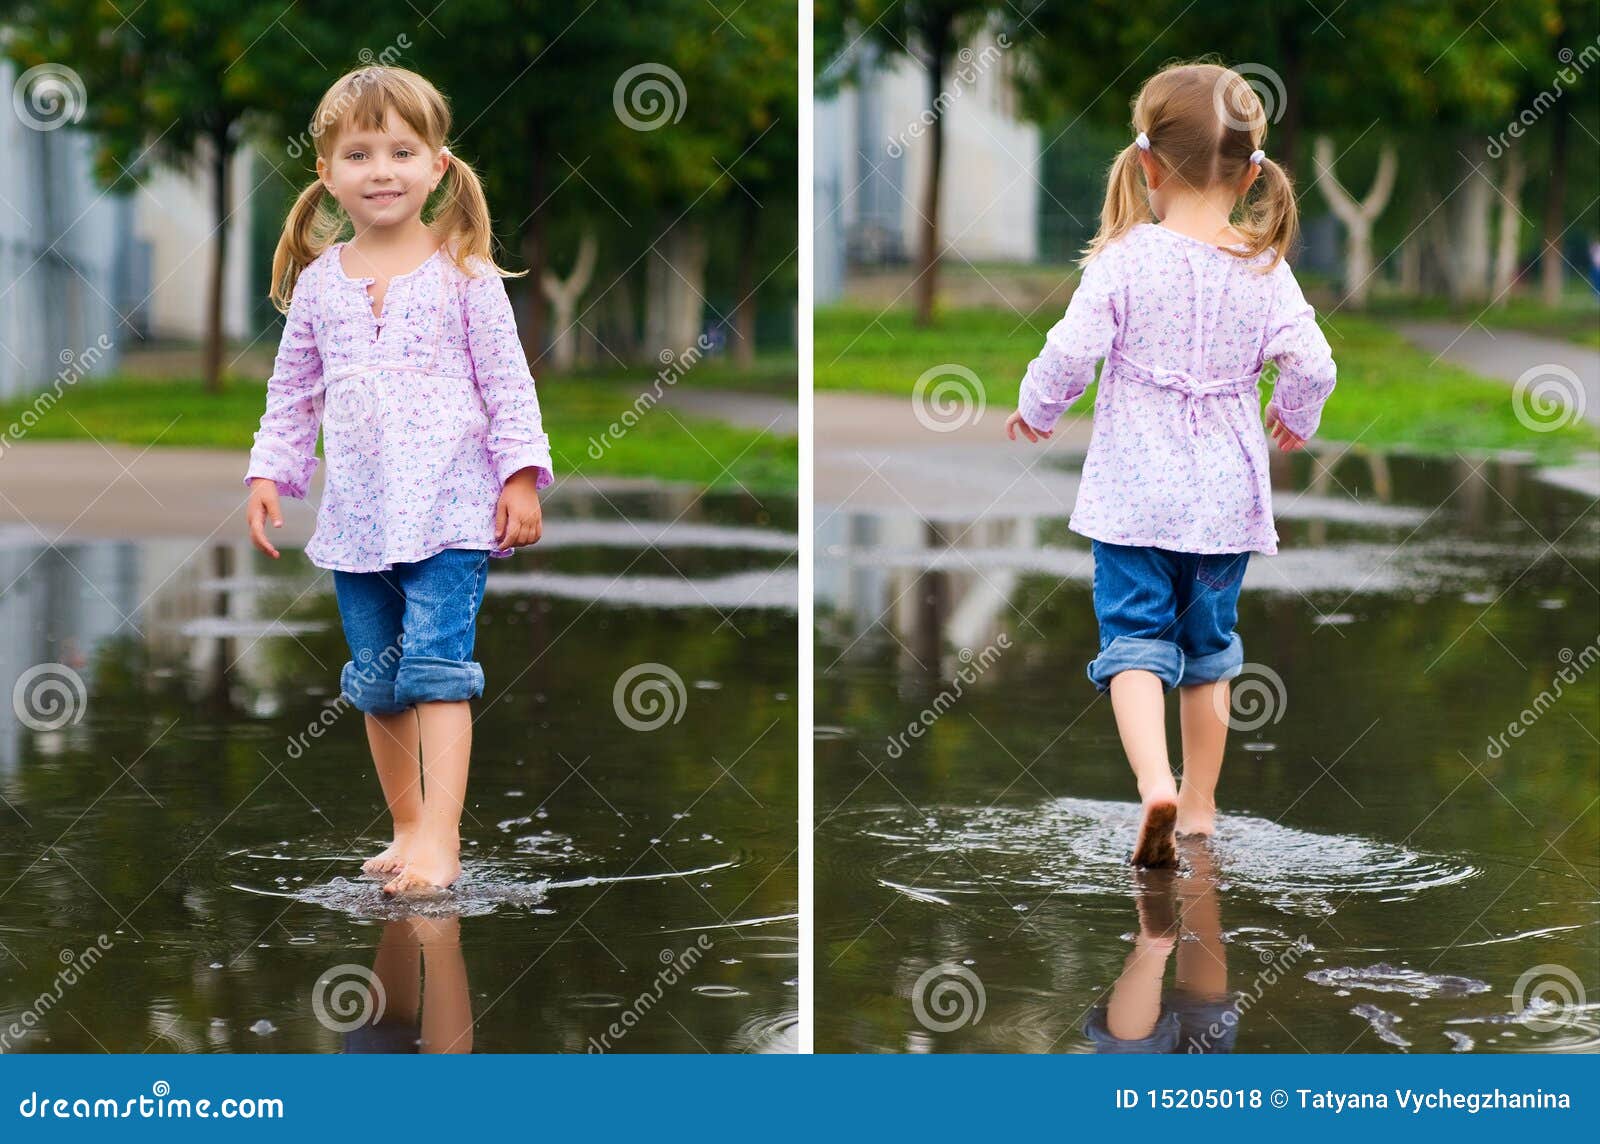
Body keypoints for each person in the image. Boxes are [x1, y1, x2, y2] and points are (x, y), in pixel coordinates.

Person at [1005, 62, 1336, 867]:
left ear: (1146, 164)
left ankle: (1153, 782)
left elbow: (1070, 349)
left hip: (1132, 500)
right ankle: (1199, 806)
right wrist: (1292, 414)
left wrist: (1038, 408)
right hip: (1224, 503)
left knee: (1133, 643)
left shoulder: (1123, 258)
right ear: (1252, 172)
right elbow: (1316, 364)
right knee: (1210, 651)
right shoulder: (1266, 270)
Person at [244, 65, 554, 896]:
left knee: (435, 673)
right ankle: (407, 827)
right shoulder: (318, 284)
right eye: (358, 154)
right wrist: (270, 471)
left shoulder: (466, 274)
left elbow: (508, 382)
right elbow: (292, 390)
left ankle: (442, 842)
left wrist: (520, 477)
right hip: (357, 522)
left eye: (401, 151)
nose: (380, 170)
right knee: (378, 686)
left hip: (451, 512)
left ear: (437, 165)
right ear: (327, 173)